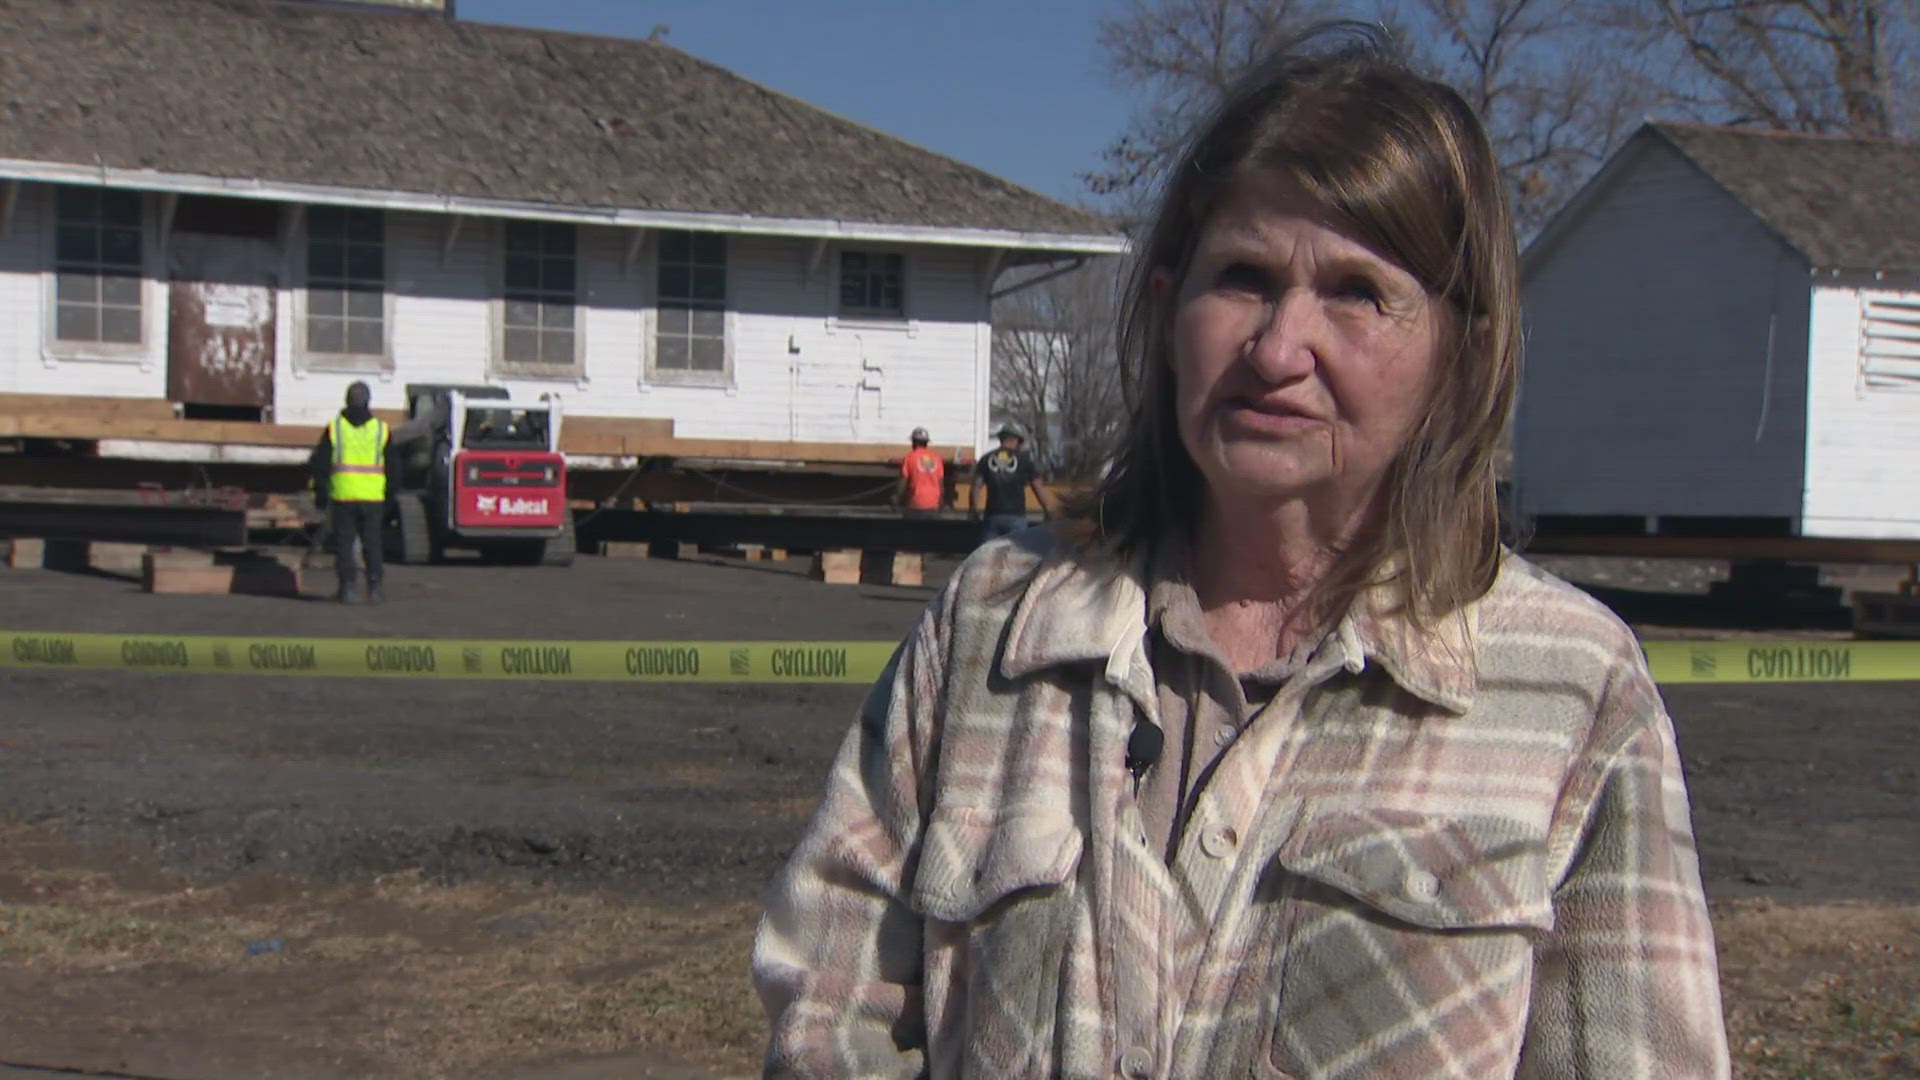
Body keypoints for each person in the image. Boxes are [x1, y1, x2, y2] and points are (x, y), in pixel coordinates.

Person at [753, 26, 1729, 1080]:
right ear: (1171, 311)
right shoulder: (994, 625)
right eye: (1243, 276)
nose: (1276, 349)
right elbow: (833, 1017)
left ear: (1461, 350)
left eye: (1358, 291)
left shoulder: (1571, 688)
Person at [310, 381, 391, 604]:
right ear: (368, 401)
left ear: (346, 401)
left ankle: (348, 589)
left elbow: (320, 464)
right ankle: (375, 589)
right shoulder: (381, 430)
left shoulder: (335, 428)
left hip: (343, 495)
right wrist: (390, 497)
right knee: (373, 543)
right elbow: (394, 467)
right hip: (373, 497)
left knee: (345, 544)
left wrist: (321, 493)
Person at [969, 422, 1052, 541]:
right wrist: (1047, 509)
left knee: (990, 556)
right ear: (1014, 439)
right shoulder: (1024, 460)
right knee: (1017, 555)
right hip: (1016, 516)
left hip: (993, 516)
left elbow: (976, 486)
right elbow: (1037, 486)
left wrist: (973, 509)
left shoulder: (986, 459)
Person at [895, 426, 946, 518]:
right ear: (926, 443)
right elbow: (941, 484)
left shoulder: (910, 458)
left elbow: (903, 483)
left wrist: (897, 499)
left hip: (916, 506)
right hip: (934, 505)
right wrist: (940, 504)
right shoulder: (937, 458)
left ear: (914, 442)